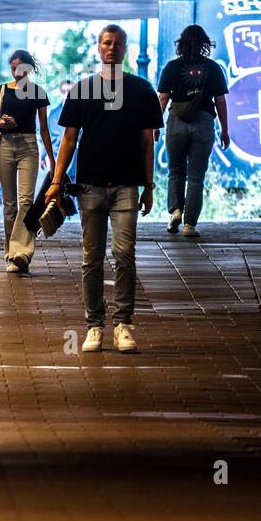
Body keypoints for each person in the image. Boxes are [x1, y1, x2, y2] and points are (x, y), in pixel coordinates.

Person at [44, 24, 162, 354]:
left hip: (126, 185)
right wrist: (56, 181)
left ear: (125, 49)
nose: (112, 48)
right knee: (91, 258)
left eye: (118, 43)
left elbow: (147, 142)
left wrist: (149, 185)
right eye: (107, 43)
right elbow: (69, 139)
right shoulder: (82, 89)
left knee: (124, 254)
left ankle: (123, 325)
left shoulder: (142, 90)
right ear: (99, 48)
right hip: (90, 186)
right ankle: (94, 326)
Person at [157, 24, 230, 237]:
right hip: (204, 123)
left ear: (181, 44)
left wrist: (155, 124)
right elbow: (220, 100)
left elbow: (163, 97)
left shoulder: (171, 67)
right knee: (196, 176)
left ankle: (176, 212)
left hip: (176, 123)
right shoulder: (213, 68)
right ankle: (190, 225)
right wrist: (225, 130)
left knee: (175, 171)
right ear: (205, 44)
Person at [0, 50, 53, 274]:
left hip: (28, 147)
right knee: (9, 205)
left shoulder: (38, 92)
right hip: (4, 145)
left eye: (20, 68)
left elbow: (44, 129)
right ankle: (10, 254)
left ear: (29, 69)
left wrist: (52, 160)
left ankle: (22, 253)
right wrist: (1, 124)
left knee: (26, 201)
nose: (16, 72)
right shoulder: (2, 90)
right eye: (13, 68)